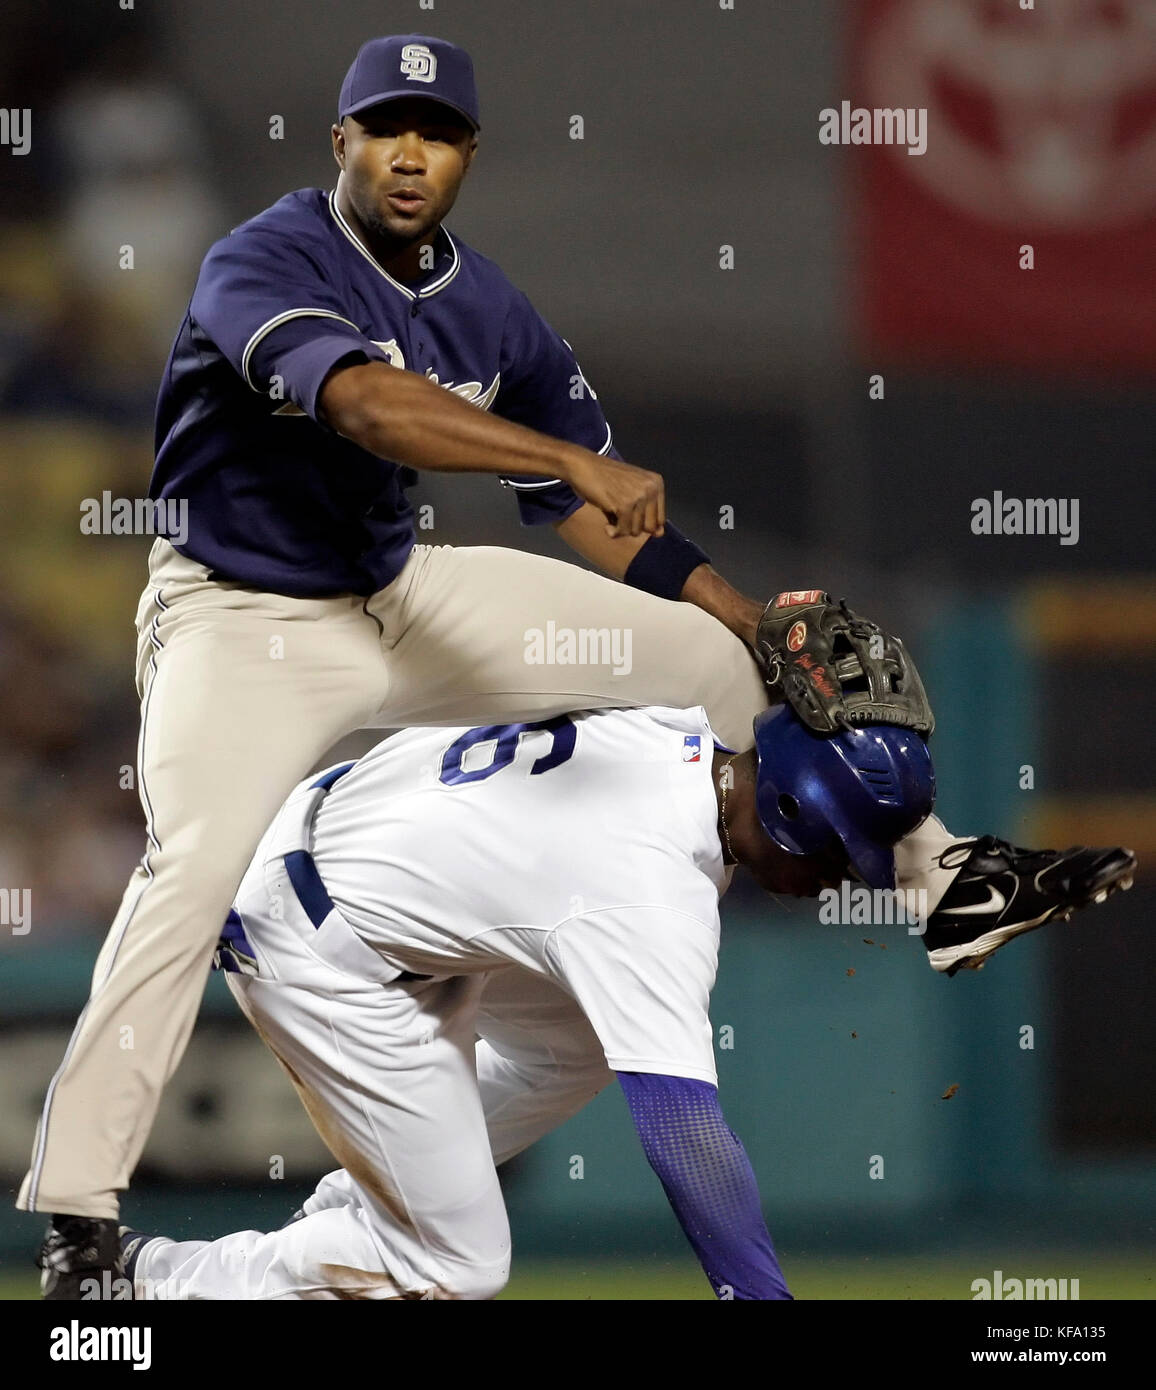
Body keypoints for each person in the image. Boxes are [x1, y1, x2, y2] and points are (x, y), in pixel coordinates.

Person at [21, 32, 1131, 1298]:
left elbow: (603, 514)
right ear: (341, 144)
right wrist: (560, 461)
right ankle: (79, 1221)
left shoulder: (488, 308)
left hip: (397, 595)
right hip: (243, 618)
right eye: (385, 127)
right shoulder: (264, 259)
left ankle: (949, 881)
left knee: (730, 666)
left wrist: (739, 605)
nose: (408, 153)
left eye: (435, 133)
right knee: (192, 869)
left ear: (467, 157)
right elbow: (366, 405)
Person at [113, 704, 1131, 1300]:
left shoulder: (680, 731)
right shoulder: (649, 894)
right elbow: (687, 1137)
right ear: (778, 817)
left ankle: (361, 1215)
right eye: (832, 859)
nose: (833, 884)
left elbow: (804, 728)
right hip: (315, 939)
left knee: (579, 1044)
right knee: (459, 1263)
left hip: (359, 849)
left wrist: (946, 872)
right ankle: (155, 1281)